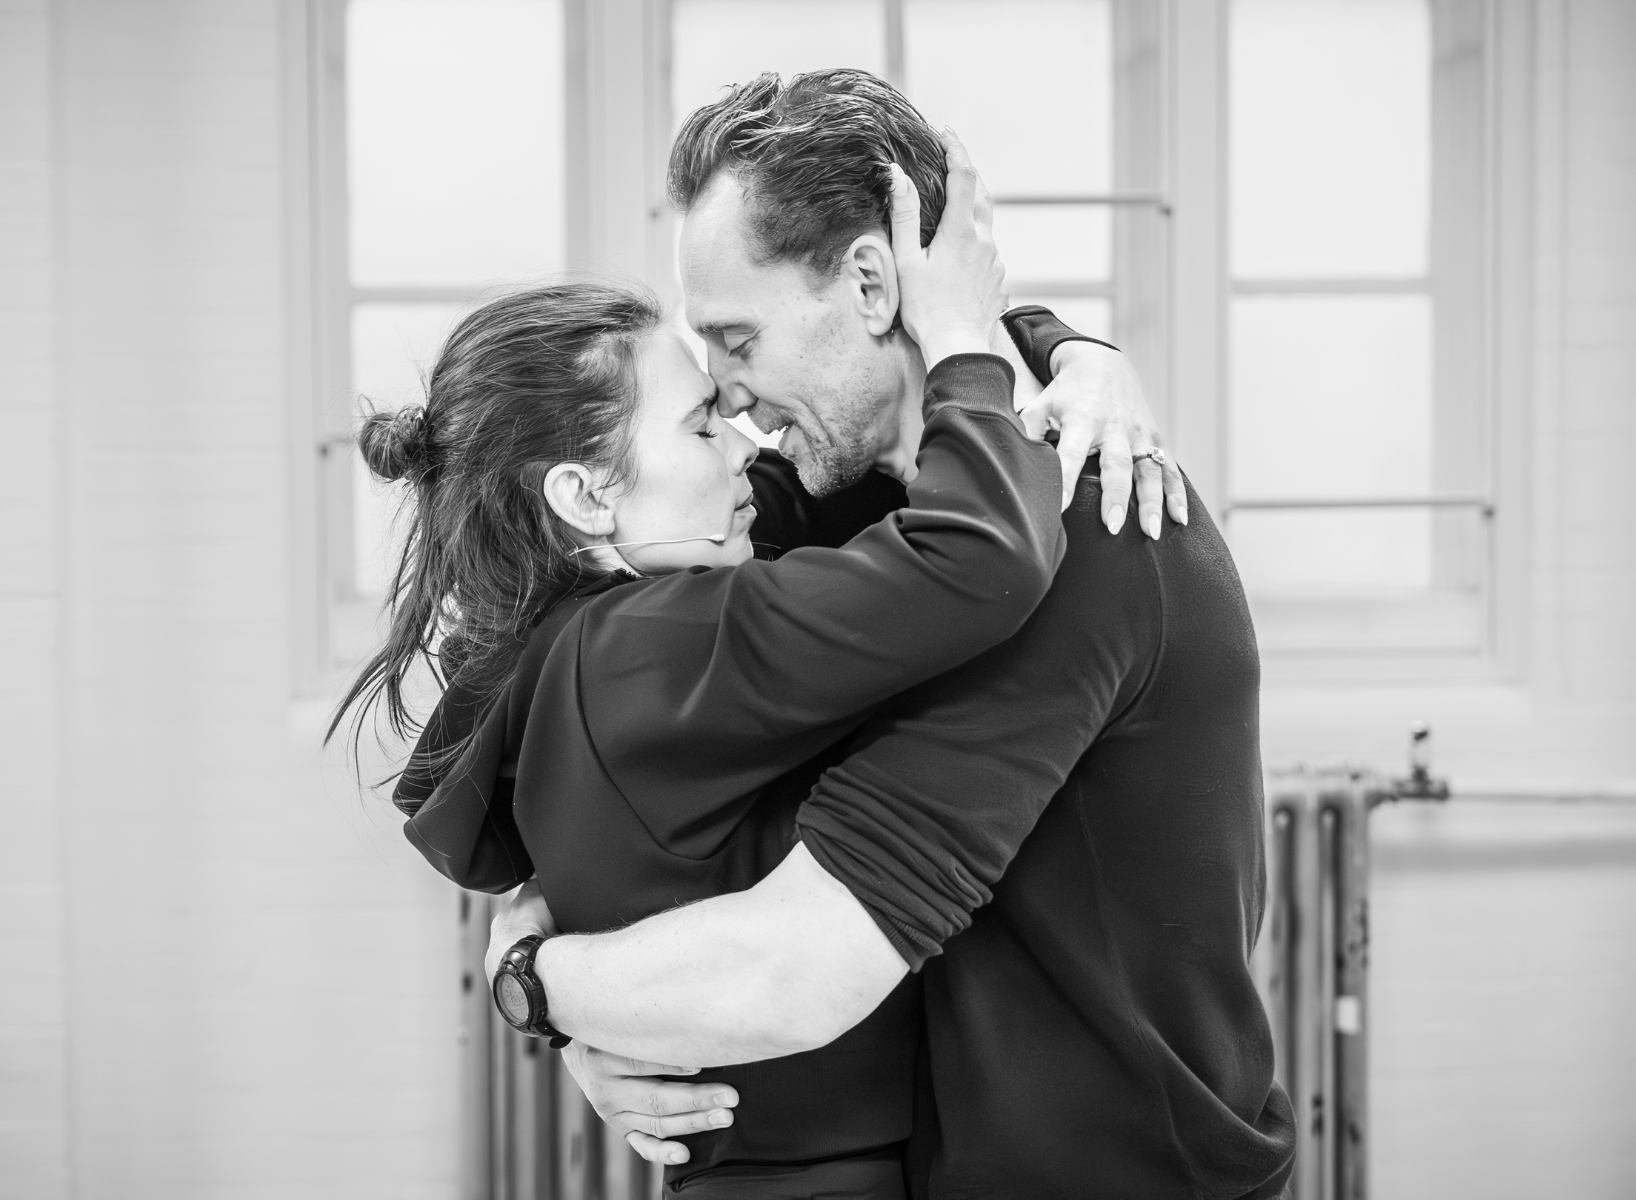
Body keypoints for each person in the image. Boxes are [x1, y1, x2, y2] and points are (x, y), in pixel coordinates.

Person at [487, 69, 1298, 1199]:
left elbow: (796, 970)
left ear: (874, 283)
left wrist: (542, 985)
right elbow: (578, 699)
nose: (722, 397)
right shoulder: (868, 500)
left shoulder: (1077, 540)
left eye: (736, 338)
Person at [336, 140, 1165, 1196]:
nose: (740, 435)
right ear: (585, 500)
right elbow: (983, 554)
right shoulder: (672, 637)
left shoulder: (548, 647)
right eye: (697, 423)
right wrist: (969, 337)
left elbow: (815, 477)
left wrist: (1065, 348)